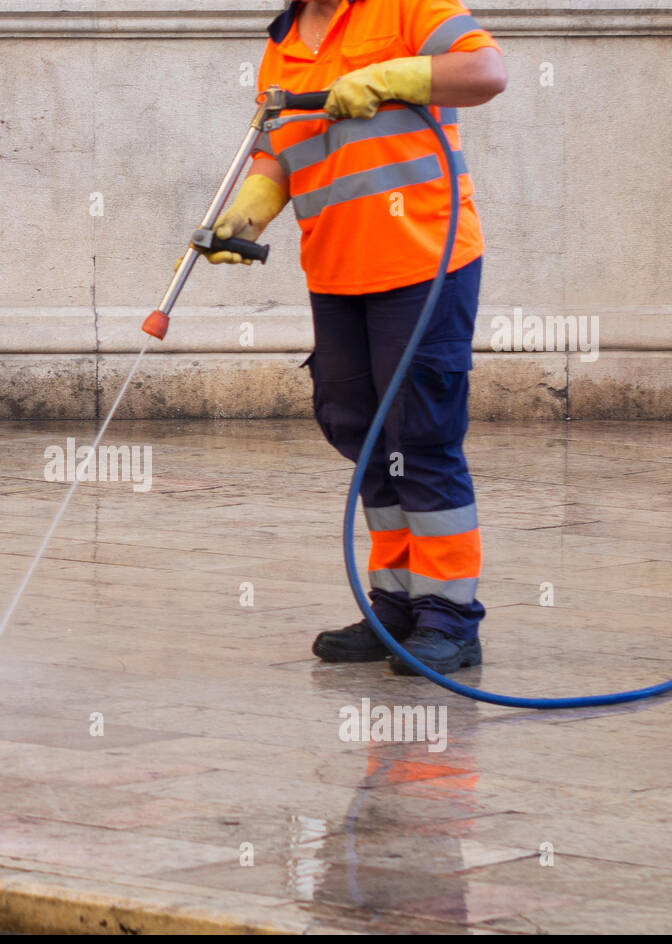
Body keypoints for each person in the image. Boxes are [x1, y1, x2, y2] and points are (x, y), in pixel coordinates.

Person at [202, 0, 506, 674]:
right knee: (365, 435)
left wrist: (392, 77)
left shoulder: (408, 7)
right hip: (337, 269)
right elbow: (278, 148)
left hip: (423, 258)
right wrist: (249, 212)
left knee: (419, 436)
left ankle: (450, 618)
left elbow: (485, 71)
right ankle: (396, 606)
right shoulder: (283, 44)